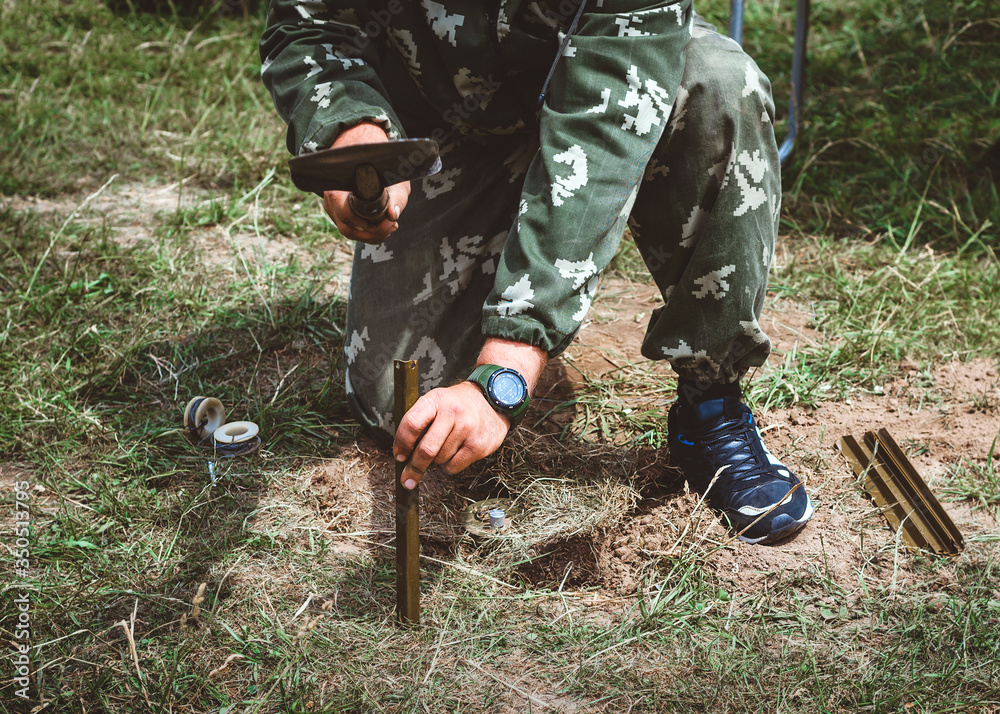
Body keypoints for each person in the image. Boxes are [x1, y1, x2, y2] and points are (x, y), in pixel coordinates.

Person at [260, 0, 813, 544]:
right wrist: (352, 129)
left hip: (612, 98)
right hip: (448, 132)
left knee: (719, 83)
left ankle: (710, 402)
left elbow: (601, 133)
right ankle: (519, 252)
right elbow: (308, 25)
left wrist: (504, 374)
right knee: (402, 408)